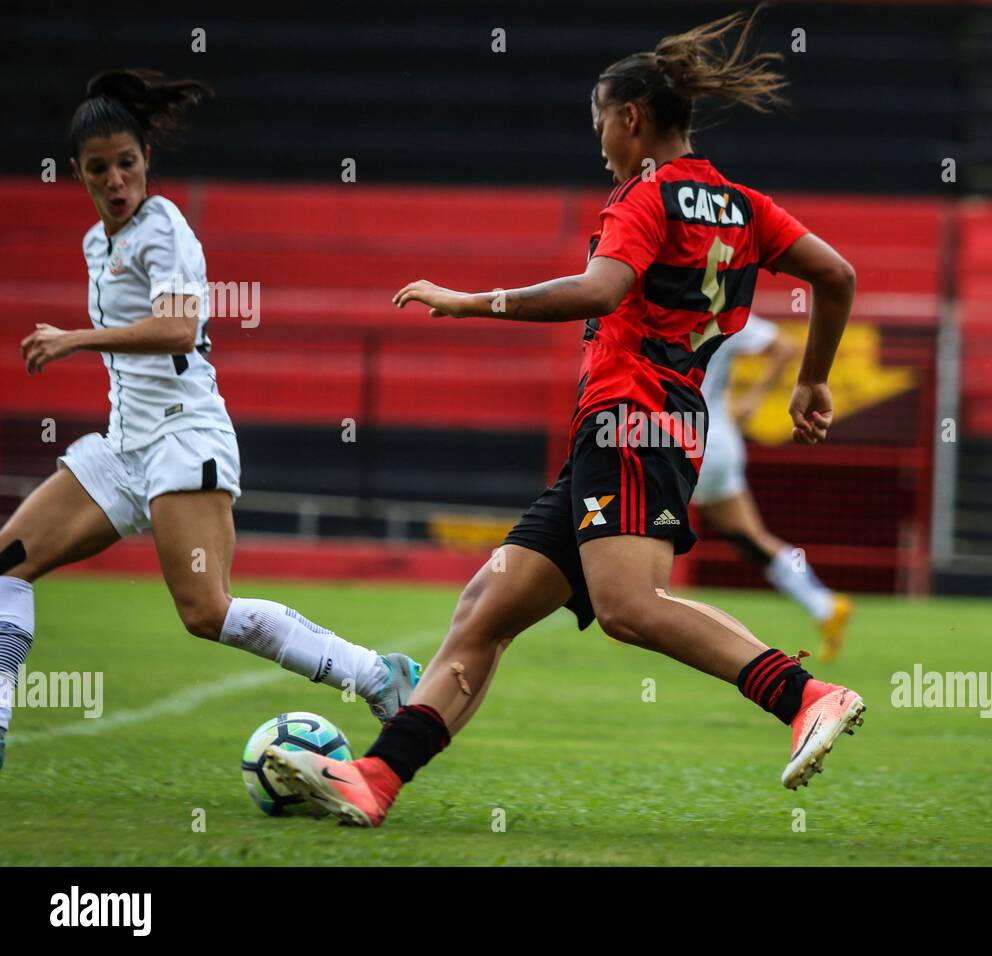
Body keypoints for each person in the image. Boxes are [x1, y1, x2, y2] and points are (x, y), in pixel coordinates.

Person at [267, 9, 864, 827]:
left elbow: (598, 290)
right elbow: (837, 274)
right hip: (639, 428)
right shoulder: (743, 204)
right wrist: (812, 382)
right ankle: (376, 778)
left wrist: (471, 303)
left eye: (600, 125)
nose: (601, 145)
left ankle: (808, 695)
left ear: (630, 118)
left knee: (629, 606)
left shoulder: (645, 194)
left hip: (632, 417)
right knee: (488, 606)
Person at [0, 70, 421, 772]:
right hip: (123, 446)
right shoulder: (94, 245)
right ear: (75, 173)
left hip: (182, 436)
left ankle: (380, 676)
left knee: (206, 612)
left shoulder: (164, 227)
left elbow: (176, 327)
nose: (115, 179)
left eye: (126, 163)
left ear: (146, 161)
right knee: (8, 565)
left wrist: (75, 338)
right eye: (98, 168)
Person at [691, 314, 852, 660]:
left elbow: (785, 347)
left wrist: (751, 398)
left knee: (641, 520)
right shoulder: (726, 312)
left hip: (683, 438)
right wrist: (752, 399)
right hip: (718, 438)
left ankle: (631, 605)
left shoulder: (670, 308)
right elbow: (784, 346)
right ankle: (824, 605)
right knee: (748, 539)